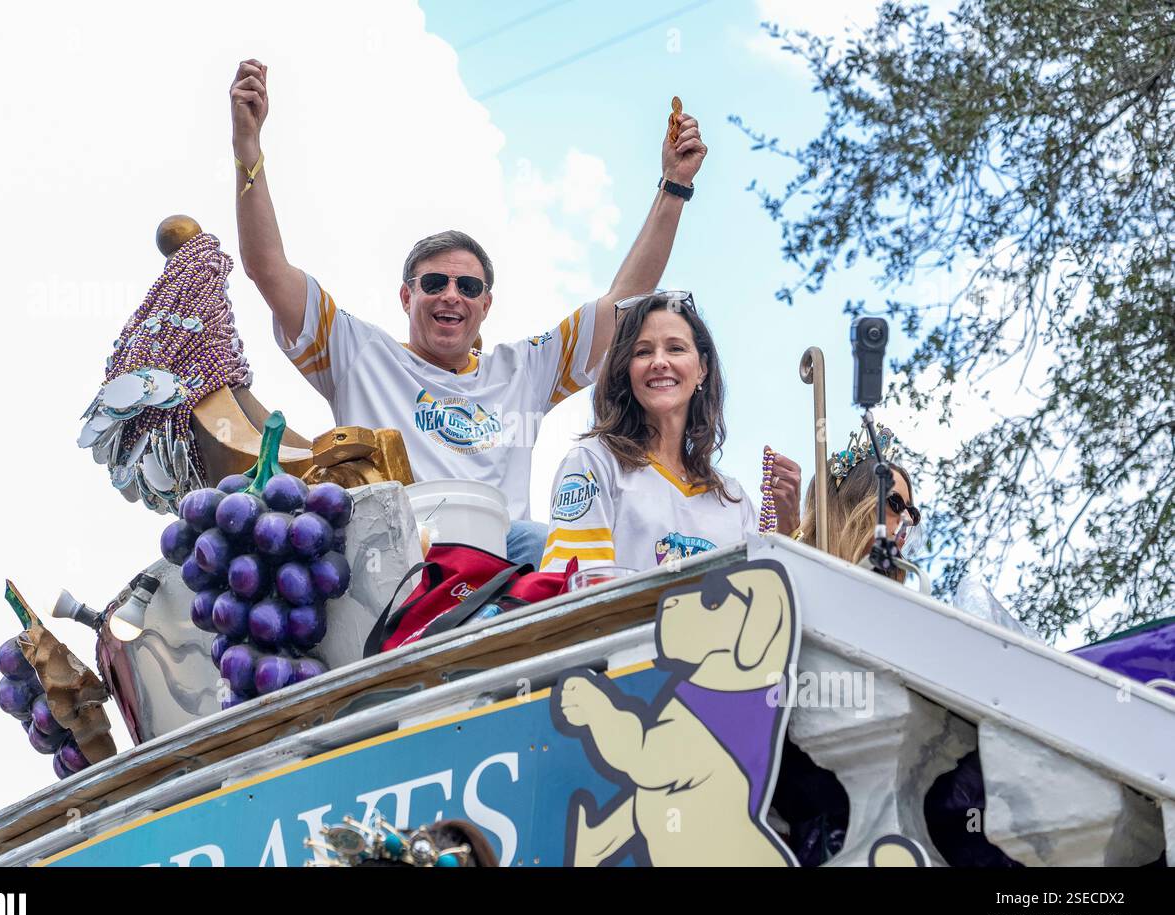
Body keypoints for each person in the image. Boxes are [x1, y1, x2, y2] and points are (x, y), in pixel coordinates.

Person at [228, 59, 708, 567]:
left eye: (468, 286)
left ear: (486, 304)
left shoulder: (523, 369)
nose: (451, 296)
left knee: (561, 547)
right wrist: (247, 148)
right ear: (406, 297)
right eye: (434, 283)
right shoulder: (357, 353)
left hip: (505, 559)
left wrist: (674, 187)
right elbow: (266, 267)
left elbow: (625, 300)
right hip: (400, 559)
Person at [539, 292, 801, 574]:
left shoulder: (731, 497)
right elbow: (578, 585)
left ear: (702, 369)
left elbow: (765, 591)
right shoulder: (593, 461)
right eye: (642, 352)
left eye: (675, 348)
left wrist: (786, 525)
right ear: (625, 371)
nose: (659, 362)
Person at [794, 426, 922, 573]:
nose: (909, 520)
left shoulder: (911, 586)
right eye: (895, 502)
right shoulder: (790, 569)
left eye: (913, 513)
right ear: (852, 505)